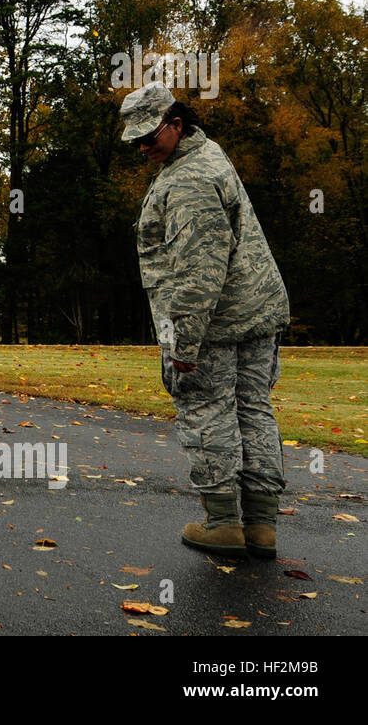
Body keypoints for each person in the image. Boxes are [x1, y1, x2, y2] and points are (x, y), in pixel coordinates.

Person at [121, 82, 289, 558]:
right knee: (254, 411)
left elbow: (199, 271)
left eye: (149, 136)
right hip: (257, 312)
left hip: (213, 322)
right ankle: (261, 526)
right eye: (135, 140)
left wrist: (184, 345)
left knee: (206, 411)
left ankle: (223, 524)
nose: (142, 147)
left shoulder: (189, 179)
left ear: (176, 124)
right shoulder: (207, 154)